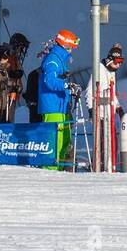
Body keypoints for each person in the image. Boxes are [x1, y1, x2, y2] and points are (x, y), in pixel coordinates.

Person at [38, 30, 79, 167]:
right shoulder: (53, 60)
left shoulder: (60, 59)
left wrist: (69, 86)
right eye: (71, 48)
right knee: (55, 139)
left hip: (61, 105)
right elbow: (49, 80)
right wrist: (66, 85)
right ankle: (49, 167)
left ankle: (60, 167)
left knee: (65, 139)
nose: (72, 51)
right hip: (52, 106)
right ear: (65, 46)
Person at [6, 32, 30, 122]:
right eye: (22, 47)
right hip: (6, 94)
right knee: (7, 119)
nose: (22, 50)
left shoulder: (15, 57)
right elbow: (2, 74)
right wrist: (12, 74)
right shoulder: (6, 55)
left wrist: (20, 88)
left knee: (10, 119)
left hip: (13, 93)